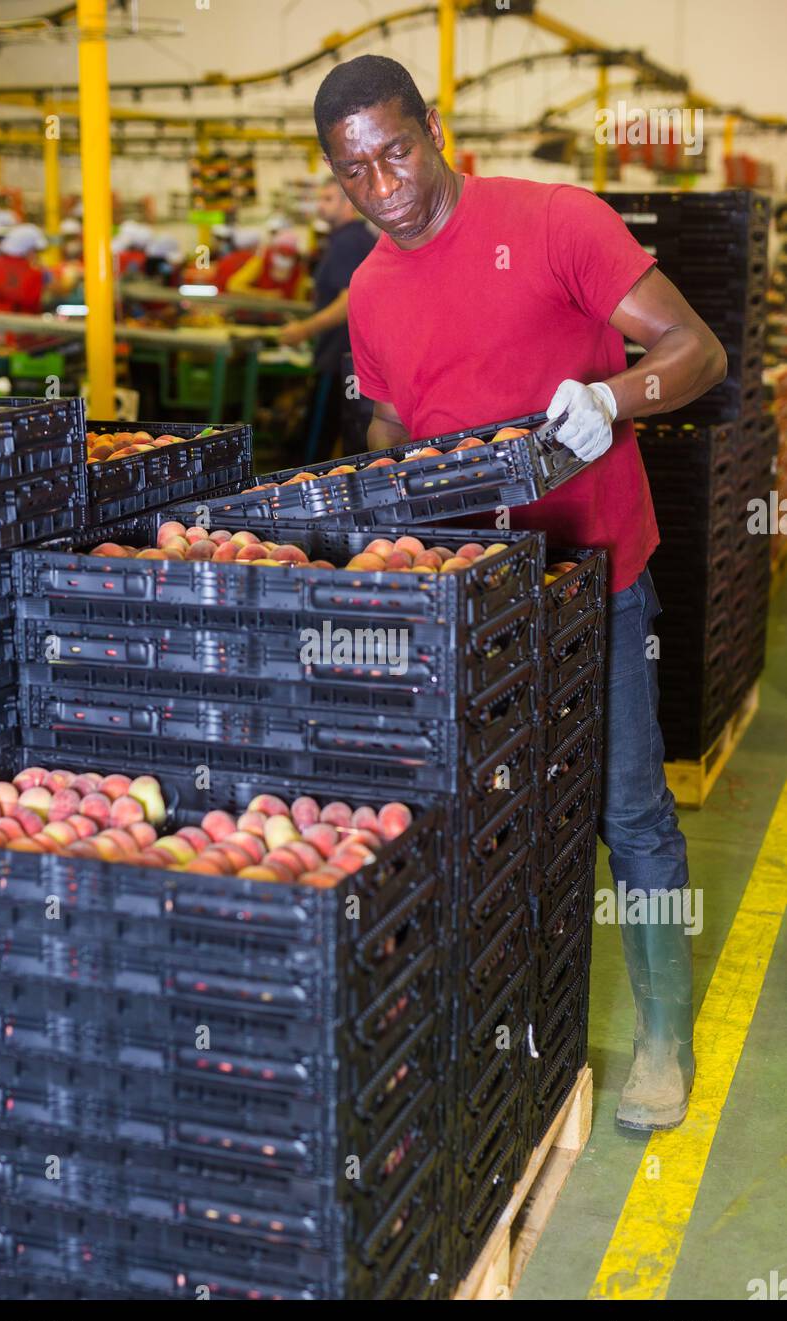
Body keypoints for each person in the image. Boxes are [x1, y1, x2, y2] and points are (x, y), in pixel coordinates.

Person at [313, 54, 729, 1132]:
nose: (384, 185)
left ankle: (659, 1036)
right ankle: (509, 1033)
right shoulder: (366, 289)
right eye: (354, 170)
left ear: (435, 126)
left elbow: (695, 350)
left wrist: (611, 393)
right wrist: (380, 495)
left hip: (597, 575)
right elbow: (396, 422)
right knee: (487, 824)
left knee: (628, 811)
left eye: (396, 150)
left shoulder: (554, 222)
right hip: (471, 599)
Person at [278, 177, 376, 460]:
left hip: (339, 359)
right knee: (348, 438)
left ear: (350, 204)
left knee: (316, 444)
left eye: (328, 199)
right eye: (319, 199)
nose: (320, 206)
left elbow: (348, 301)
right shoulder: (352, 239)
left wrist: (304, 329)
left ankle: (302, 495)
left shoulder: (348, 241)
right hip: (350, 359)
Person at [226, 229, 310, 301]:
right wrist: (266, 295)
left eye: (289, 254)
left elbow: (299, 300)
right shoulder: (261, 263)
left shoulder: (298, 272)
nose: (285, 257)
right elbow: (234, 286)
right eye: (282, 252)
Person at [0, 223, 47, 314]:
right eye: (35, 251)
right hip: (21, 325)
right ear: (29, 249)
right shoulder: (33, 274)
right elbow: (33, 307)